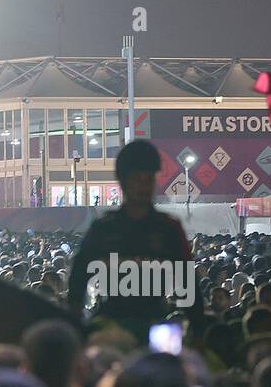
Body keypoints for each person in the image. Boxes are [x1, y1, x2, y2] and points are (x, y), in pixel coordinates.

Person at [66, 140, 203, 342]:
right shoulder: (103, 229)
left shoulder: (169, 229)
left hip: (157, 323)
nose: (143, 186)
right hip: (110, 326)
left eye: (148, 180)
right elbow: (78, 279)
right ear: (122, 182)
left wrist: (198, 331)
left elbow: (188, 282)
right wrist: (75, 323)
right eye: (136, 180)